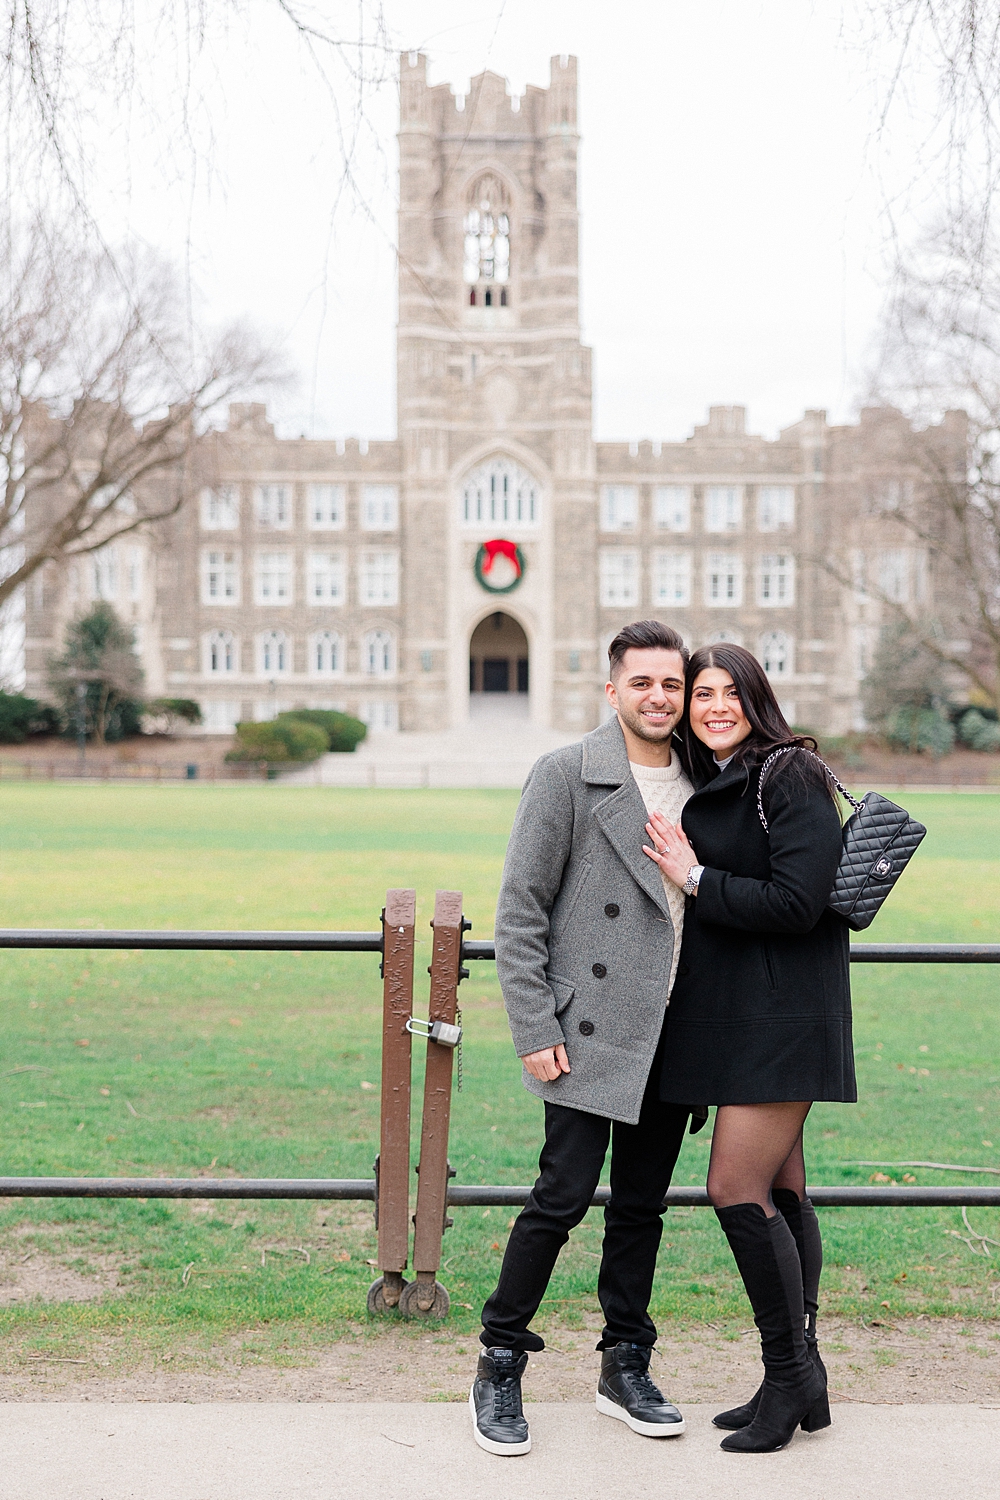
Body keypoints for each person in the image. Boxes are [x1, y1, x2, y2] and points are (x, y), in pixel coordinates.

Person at [470, 620, 705, 1457]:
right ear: (613, 691)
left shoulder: (706, 782)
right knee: (561, 1199)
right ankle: (500, 1358)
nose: (658, 697)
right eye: (642, 683)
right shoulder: (566, 774)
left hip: (673, 1034)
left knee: (642, 1209)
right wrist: (534, 1025)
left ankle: (624, 1364)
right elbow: (519, 911)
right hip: (583, 1032)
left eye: (671, 685)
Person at [641, 642, 855, 1454]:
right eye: (703, 693)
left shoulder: (788, 773)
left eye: (731, 692)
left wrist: (696, 878)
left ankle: (789, 1371)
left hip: (784, 1014)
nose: (715, 706)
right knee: (784, 1190)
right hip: (749, 1015)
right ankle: (801, 1378)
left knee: (733, 1186)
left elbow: (800, 902)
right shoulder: (726, 778)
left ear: (757, 698)